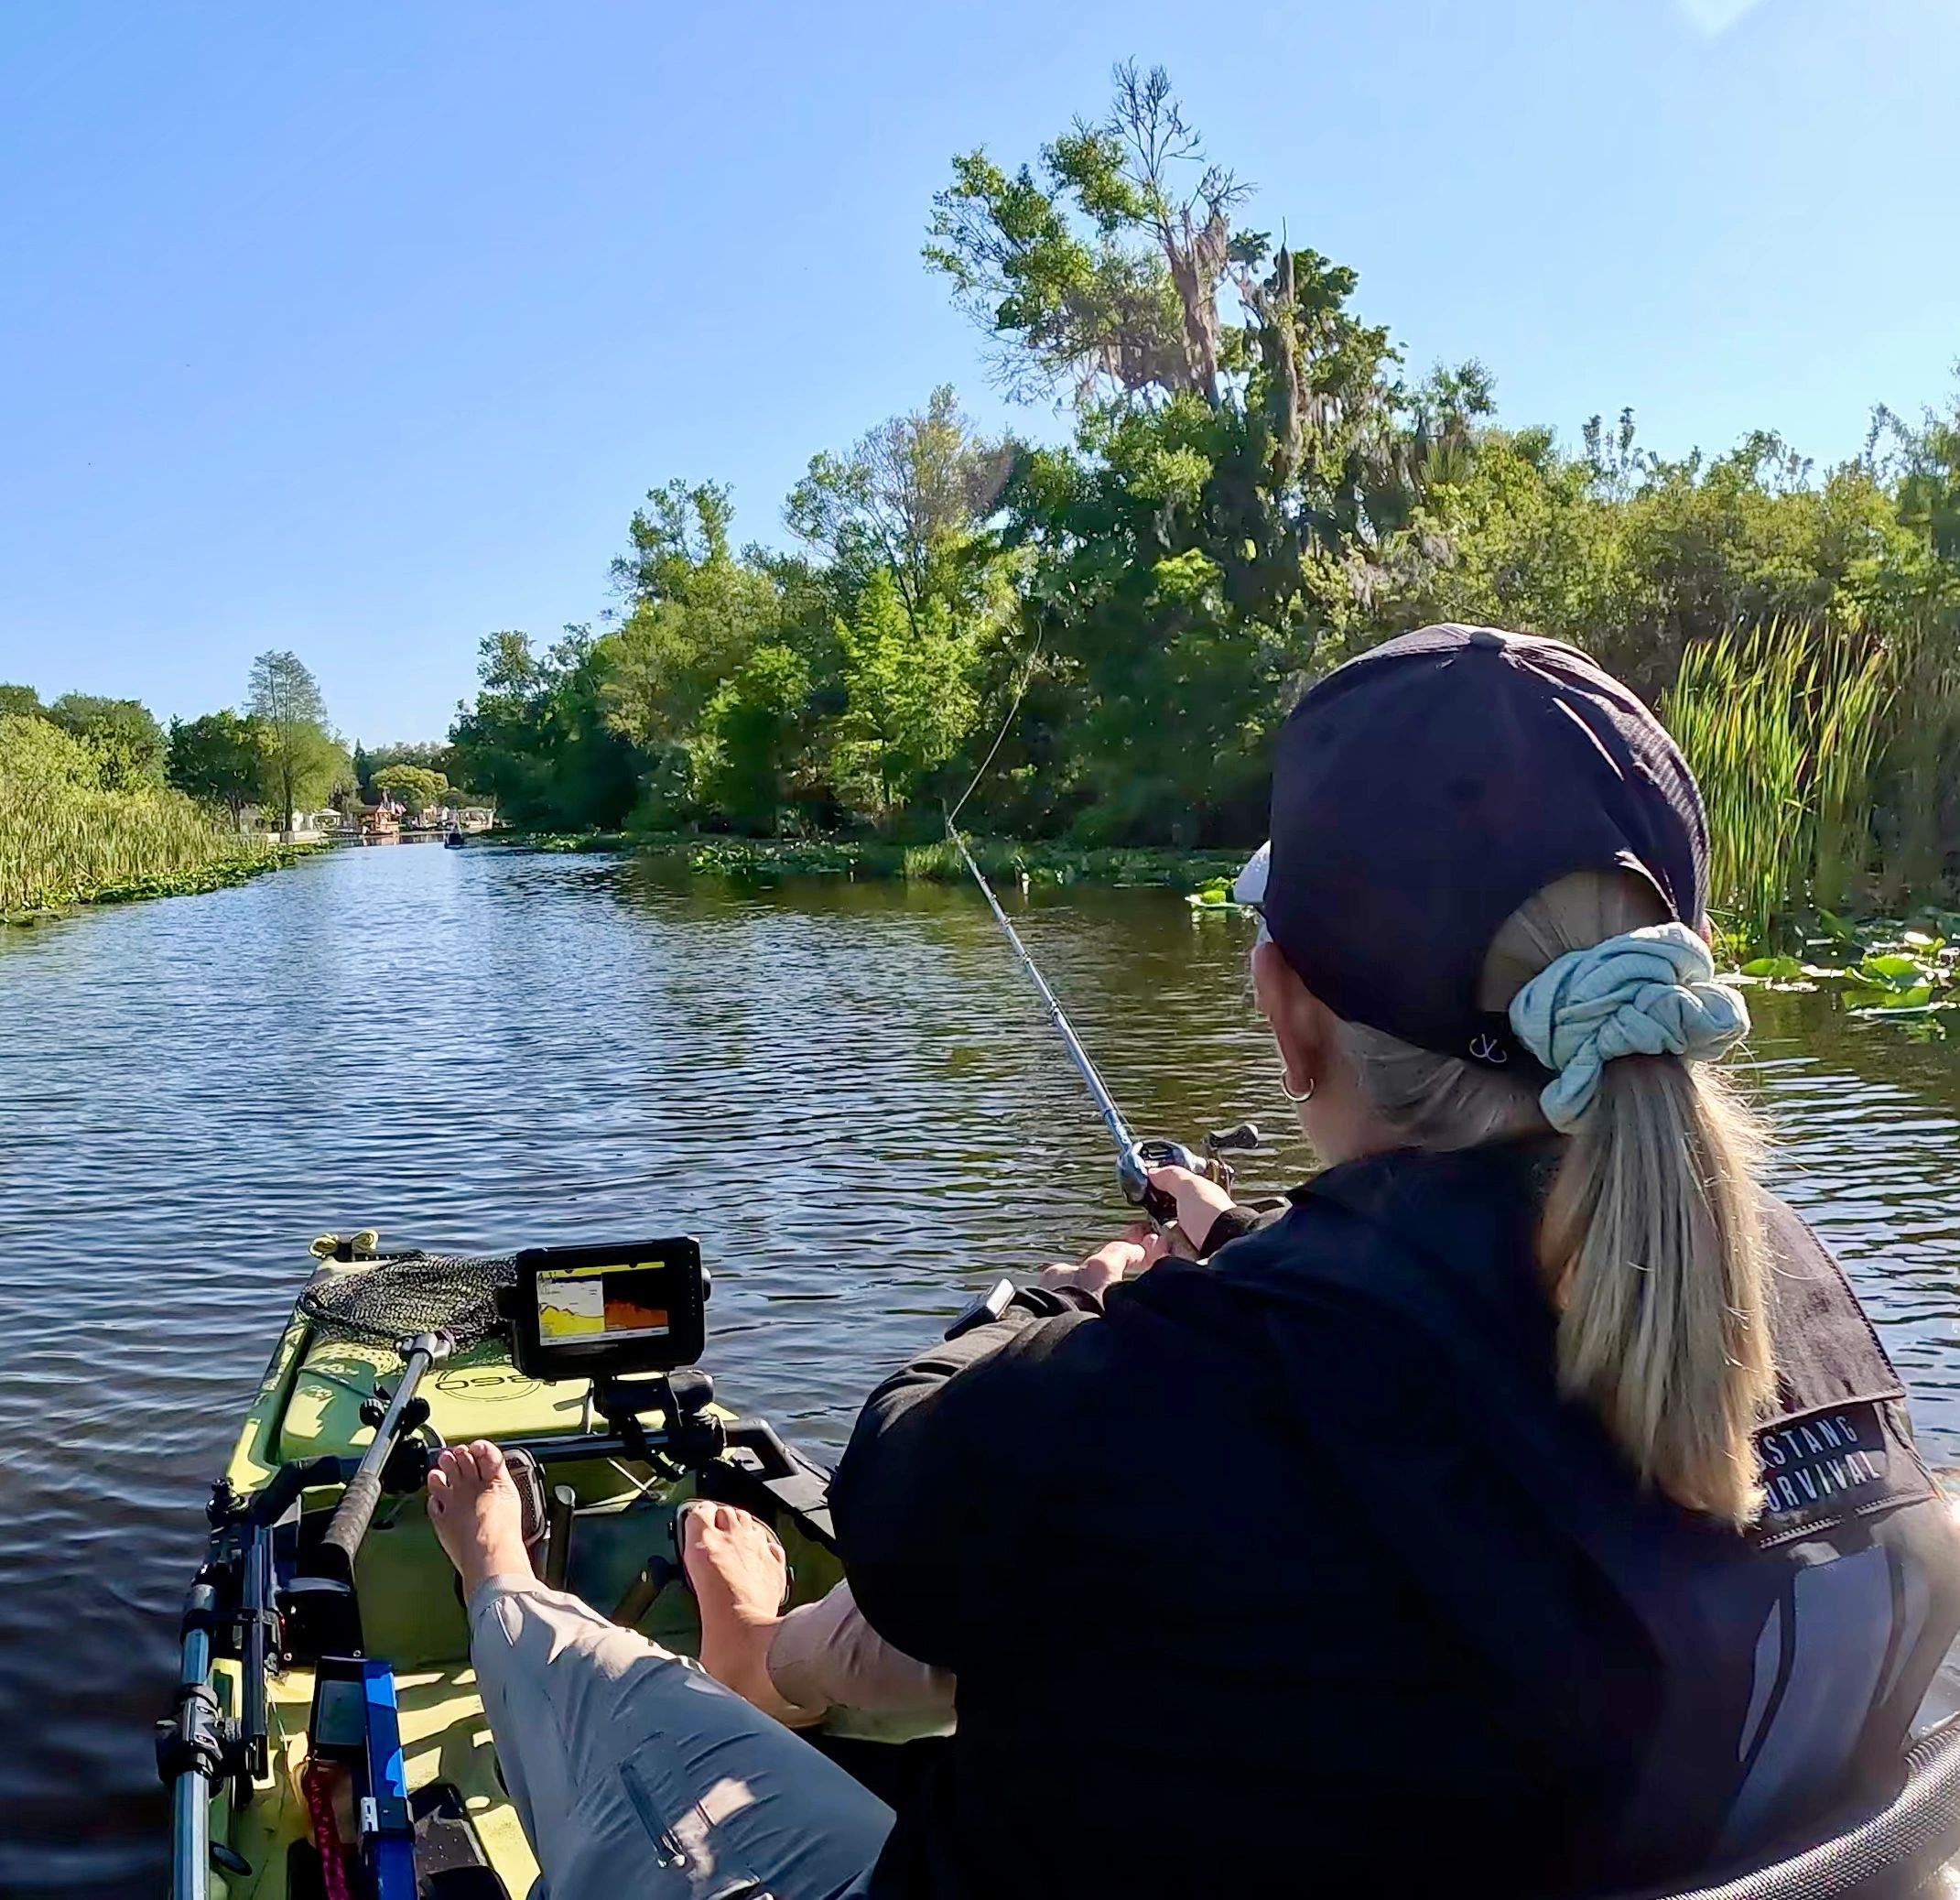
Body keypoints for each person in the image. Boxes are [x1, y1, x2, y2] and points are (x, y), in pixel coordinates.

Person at [427, 624, 1960, 1900]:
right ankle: (771, 1657)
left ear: (1288, 1010)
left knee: (612, 1717)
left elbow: (904, 1490)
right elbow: (1464, 1355)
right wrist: (1251, 1249)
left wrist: (1095, 1289)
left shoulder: (1188, 1389)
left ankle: (516, 1586)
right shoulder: (1795, 1288)